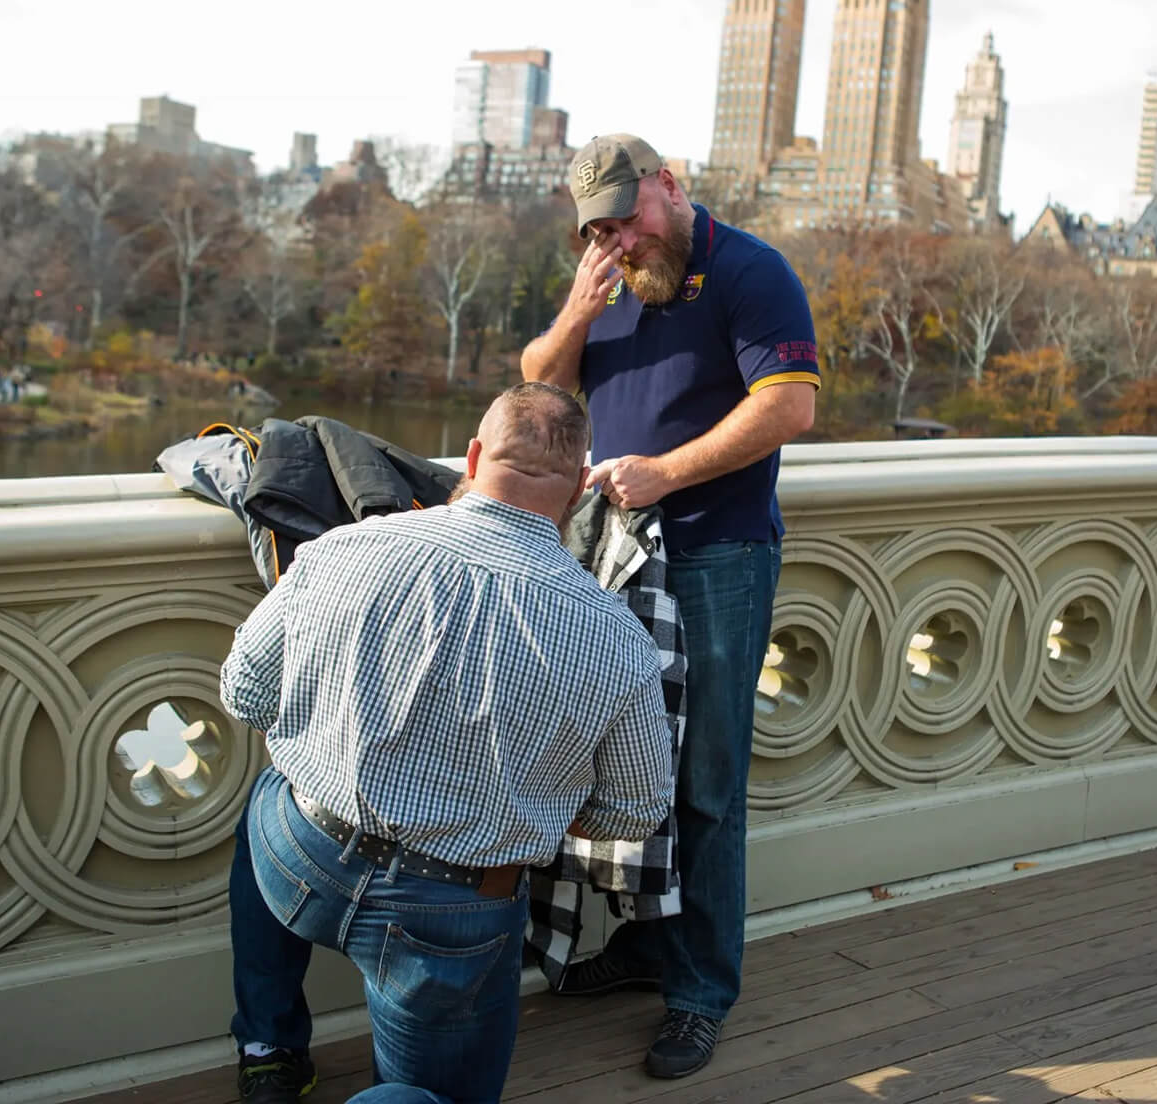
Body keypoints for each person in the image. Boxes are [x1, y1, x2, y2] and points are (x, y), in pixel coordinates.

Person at [219, 382, 675, 1104]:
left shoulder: (345, 547)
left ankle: (268, 1044)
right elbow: (636, 812)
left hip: (298, 854)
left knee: (269, 792)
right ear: (580, 488)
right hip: (448, 916)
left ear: (471, 457)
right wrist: (534, 802)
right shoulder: (615, 634)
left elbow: (243, 692)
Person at [519, 134, 819, 1078]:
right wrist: (576, 310)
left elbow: (789, 406)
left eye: (628, 215)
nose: (618, 237)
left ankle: (699, 993)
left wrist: (665, 474)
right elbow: (535, 389)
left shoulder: (749, 270)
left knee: (706, 784)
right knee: (614, 766)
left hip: (717, 556)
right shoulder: (607, 282)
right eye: (599, 227)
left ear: (671, 187)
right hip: (607, 558)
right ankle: (648, 943)